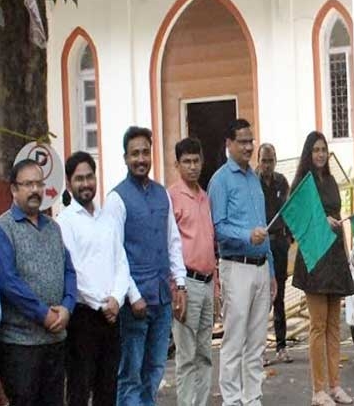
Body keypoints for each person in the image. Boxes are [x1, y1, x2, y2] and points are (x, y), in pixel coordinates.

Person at [105, 127, 187, 406]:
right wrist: (133, 295)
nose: (141, 158)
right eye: (134, 153)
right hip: (134, 303)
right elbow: (116, 254)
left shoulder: (161, 193)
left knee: (155, 369)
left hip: (162, 298)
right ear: (125, 157)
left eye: (145, 152)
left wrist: (181, 284)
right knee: (131, 373)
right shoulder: (116, 199)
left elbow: (172, 240)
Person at [56, 151, 135, 406]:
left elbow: (121, 262)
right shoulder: (65, 222)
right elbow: (73, 271)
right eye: (79, 179)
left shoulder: (107, 219)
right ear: (69, 183)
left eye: (90, 177)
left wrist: (116, 299)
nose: (86, 183)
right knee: (80, 388)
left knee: (108, 386)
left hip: (112, 315)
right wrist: (102, 303)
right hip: (83, 317)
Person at [208, 119, 277, 406]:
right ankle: (232, 400)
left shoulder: (254, 178)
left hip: (261, 268)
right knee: (234, 340)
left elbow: (264, 226)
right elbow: (218, 227)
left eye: (251, 141)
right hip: (235, 266)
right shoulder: (220, 180)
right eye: (242, 142)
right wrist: (247, 235)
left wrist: (272, 271)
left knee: (257, 340)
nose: (249, 147)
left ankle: (253, 398)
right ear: (229, 144)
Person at [0, 159, 77, 406]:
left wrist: (67, 307)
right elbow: (8, 282)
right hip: (21, 346)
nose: (35, 190)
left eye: (39, 184)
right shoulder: (4, 228)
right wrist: (43, 314)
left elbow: (69, 272)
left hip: (55, 341)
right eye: (28, 184)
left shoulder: (53, 228)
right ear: (14, 189)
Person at [291, 131, 354, 406]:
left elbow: (337, 215)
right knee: (317, 326)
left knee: (333, 325)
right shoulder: (302, 185)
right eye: (315, 149)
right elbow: (299, 223)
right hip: (314, 258)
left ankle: (335, 385)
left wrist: (344, 249)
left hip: (334, 256)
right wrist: (321, 221)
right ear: (308, 153)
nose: (320, 154)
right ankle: (318, 390)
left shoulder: (330, 181)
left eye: (323, 149)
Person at [169, 138, 216, 406]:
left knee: (205, 354)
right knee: (186, 357)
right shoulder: (172, 197)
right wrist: (176, 288)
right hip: (186, 283)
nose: (192, 166)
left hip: (208, 283)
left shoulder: (205, 197)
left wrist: (216, 287)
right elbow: (169, 247)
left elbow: (210, 243)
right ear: (177, 164)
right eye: (186, 161)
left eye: (196, 160)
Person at [257, 143, 293, 365]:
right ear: (258, 161)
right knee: (262, 299)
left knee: (279, 296)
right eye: (264, 160)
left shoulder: (282, 182)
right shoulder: (252, 182)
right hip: (261, 244)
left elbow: (289, 211)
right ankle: (259, 351)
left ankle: (281, 346)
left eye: (271, 160)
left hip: (279, 244)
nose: (267, 165)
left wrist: (289, 238)